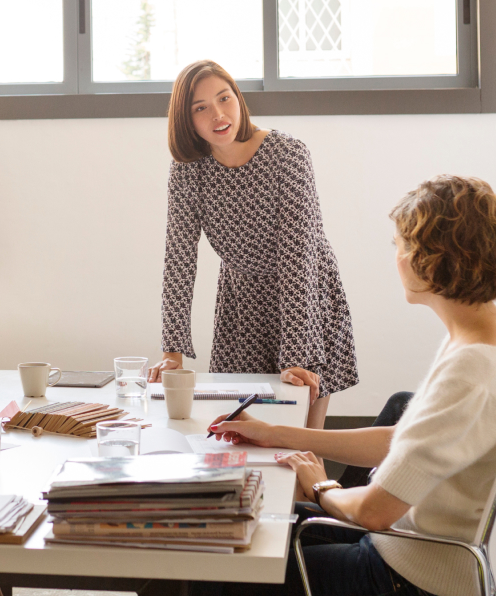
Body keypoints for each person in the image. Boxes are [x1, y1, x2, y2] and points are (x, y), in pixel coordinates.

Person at [206, 176, 496, 596]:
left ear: (431, 259)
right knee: (269, 522)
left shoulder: (470, 370)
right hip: (429, 551)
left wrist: (320, 486)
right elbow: (403, 439)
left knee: (222, 565)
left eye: (401, 245)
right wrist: (277, 434)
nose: (397, 258)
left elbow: (373, 511)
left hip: (410, 575)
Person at [150, 60, 357, 428]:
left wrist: (297, 354)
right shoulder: (188, 170)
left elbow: (299, 257)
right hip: (240, 304)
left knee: (306, 441)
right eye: (201, 108)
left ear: (238, 98)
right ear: (187, 120)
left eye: (224, 98)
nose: (218, 114)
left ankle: (322, 487)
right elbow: (178, 259)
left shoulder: (288, 155)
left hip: (304, 300)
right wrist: (172, 352)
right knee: (240, 433)